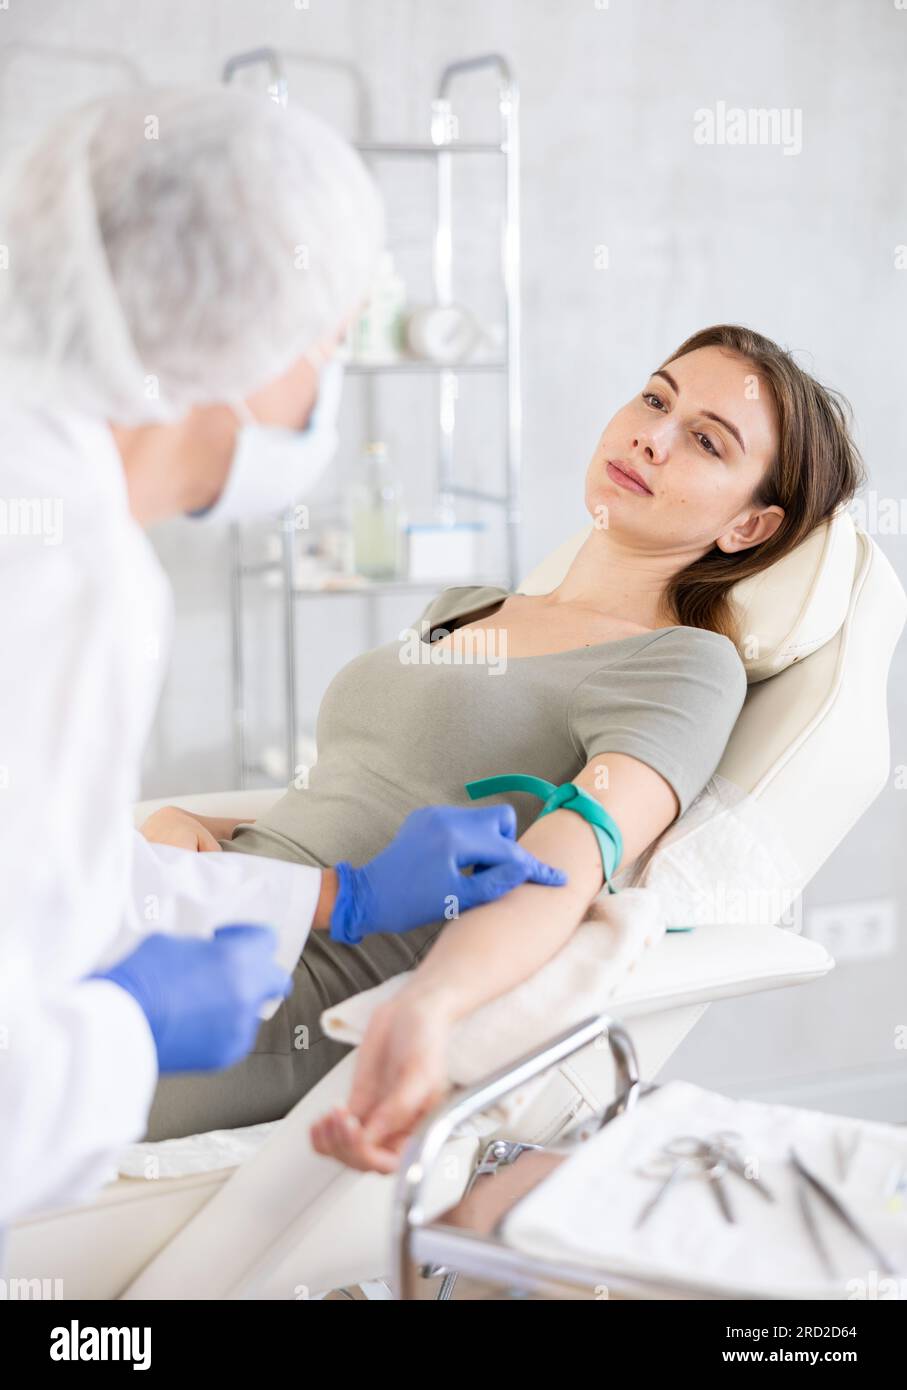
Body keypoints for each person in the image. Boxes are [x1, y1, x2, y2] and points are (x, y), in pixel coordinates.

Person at [0, 84, 565, 1232]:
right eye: (328, 341)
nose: (322, 383)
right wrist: (122, 1032)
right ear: (237, 343)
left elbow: (38, 877)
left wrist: (341, 894)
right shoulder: (68, 566)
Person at [140, 323, 866, 1171]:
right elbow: (360, 790)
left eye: (704, 440)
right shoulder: (466, 605)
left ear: (748, 526)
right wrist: (189, 829)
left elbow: (566, 865)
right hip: (216, 907)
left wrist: (425, 1014)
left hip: (279, 999)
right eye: (654, 398)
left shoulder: (680, 664)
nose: (650, 436)